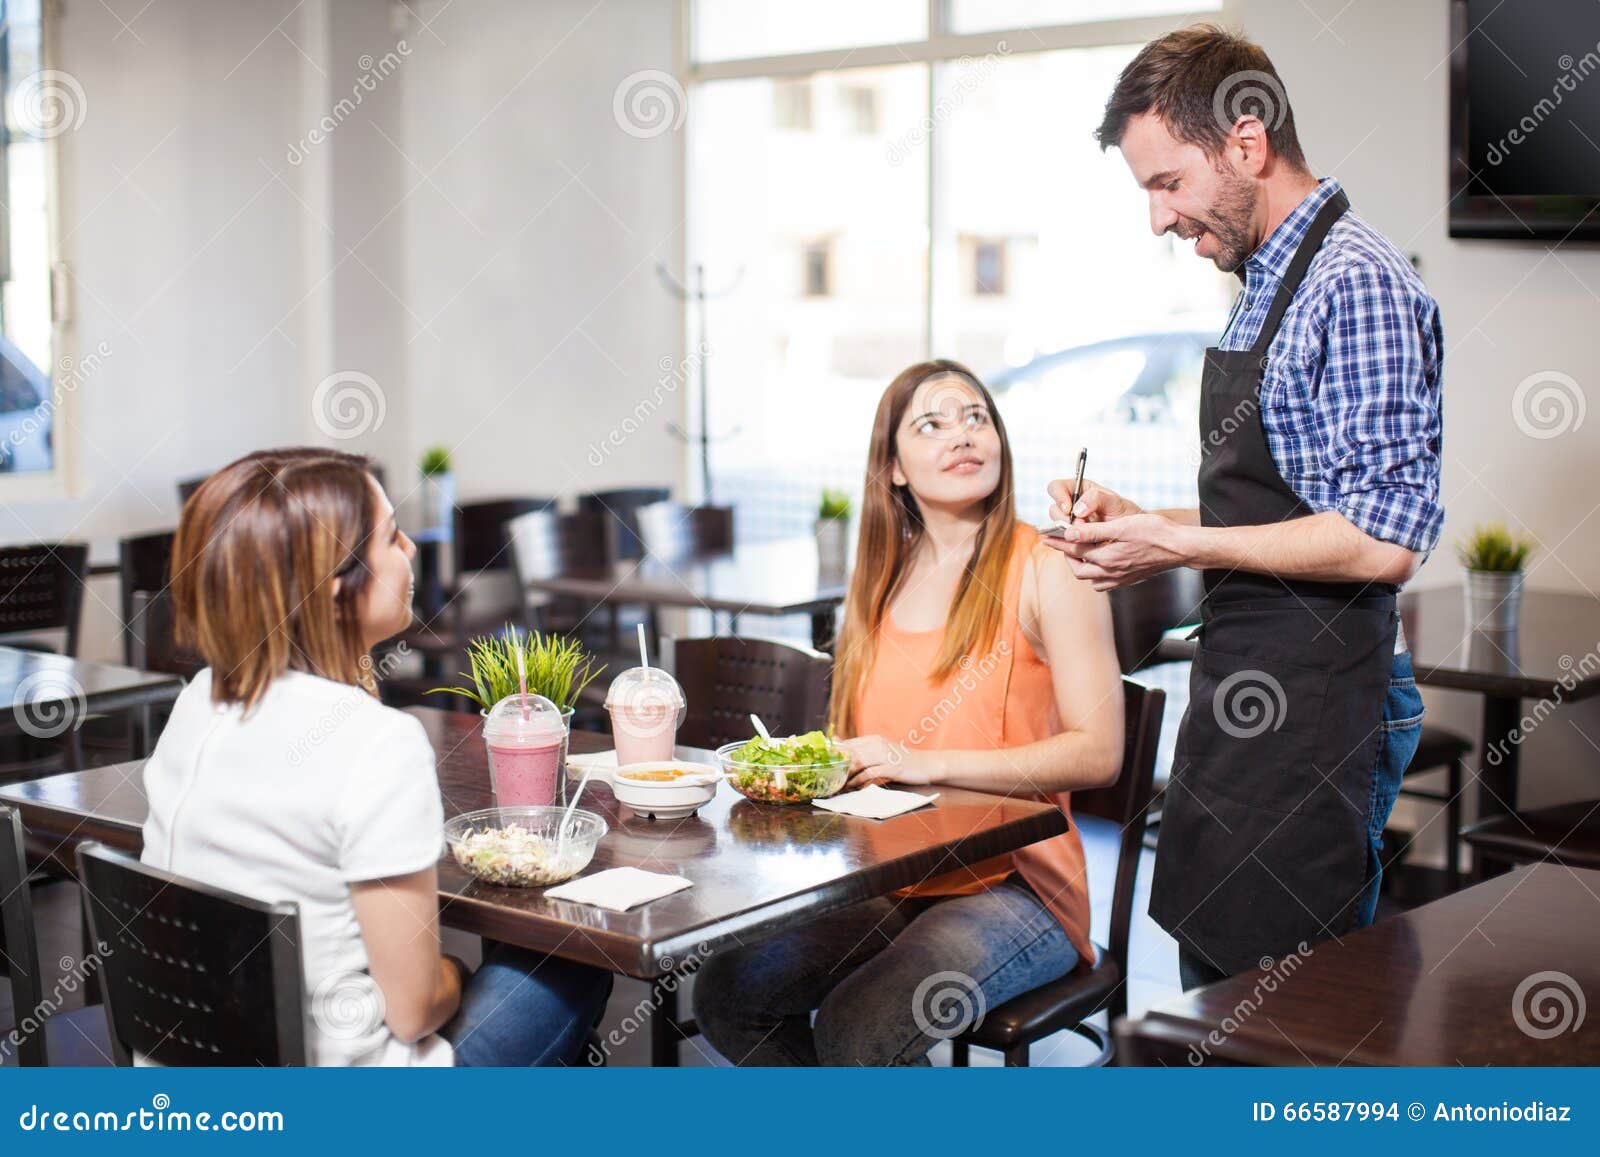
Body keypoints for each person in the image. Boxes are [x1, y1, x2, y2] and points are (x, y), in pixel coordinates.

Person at [1046, 26, 1440, 990]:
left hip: (1321, 703)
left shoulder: (1358, 284)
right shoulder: (1265, 283)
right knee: (1214, 988)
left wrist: (1170, 545)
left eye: (1166, 183)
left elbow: (1382, 538)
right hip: (1246, 690)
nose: (1159, 219)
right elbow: (1284, 501)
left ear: (1247, 143)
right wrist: (1145, 520)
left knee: (1291, 1020)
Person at [693, 361, 1124, 1066]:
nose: (963, 434)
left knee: (860, 1027)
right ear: (892, 467)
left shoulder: (1049, 566)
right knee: (730, 990)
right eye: (932, 423)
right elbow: (857, 757)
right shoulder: (877, 585)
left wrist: (922, 760)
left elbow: (1100, 751)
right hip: (892, 879)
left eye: (976, 417)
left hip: (1020, 889)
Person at [142, 447, 612, 1065]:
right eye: (391, 538)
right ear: (337, 591)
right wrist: (452, 974)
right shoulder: (375, 742)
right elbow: (414, 1010)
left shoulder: (202, 698)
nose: (412, 549)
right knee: (573, 959)